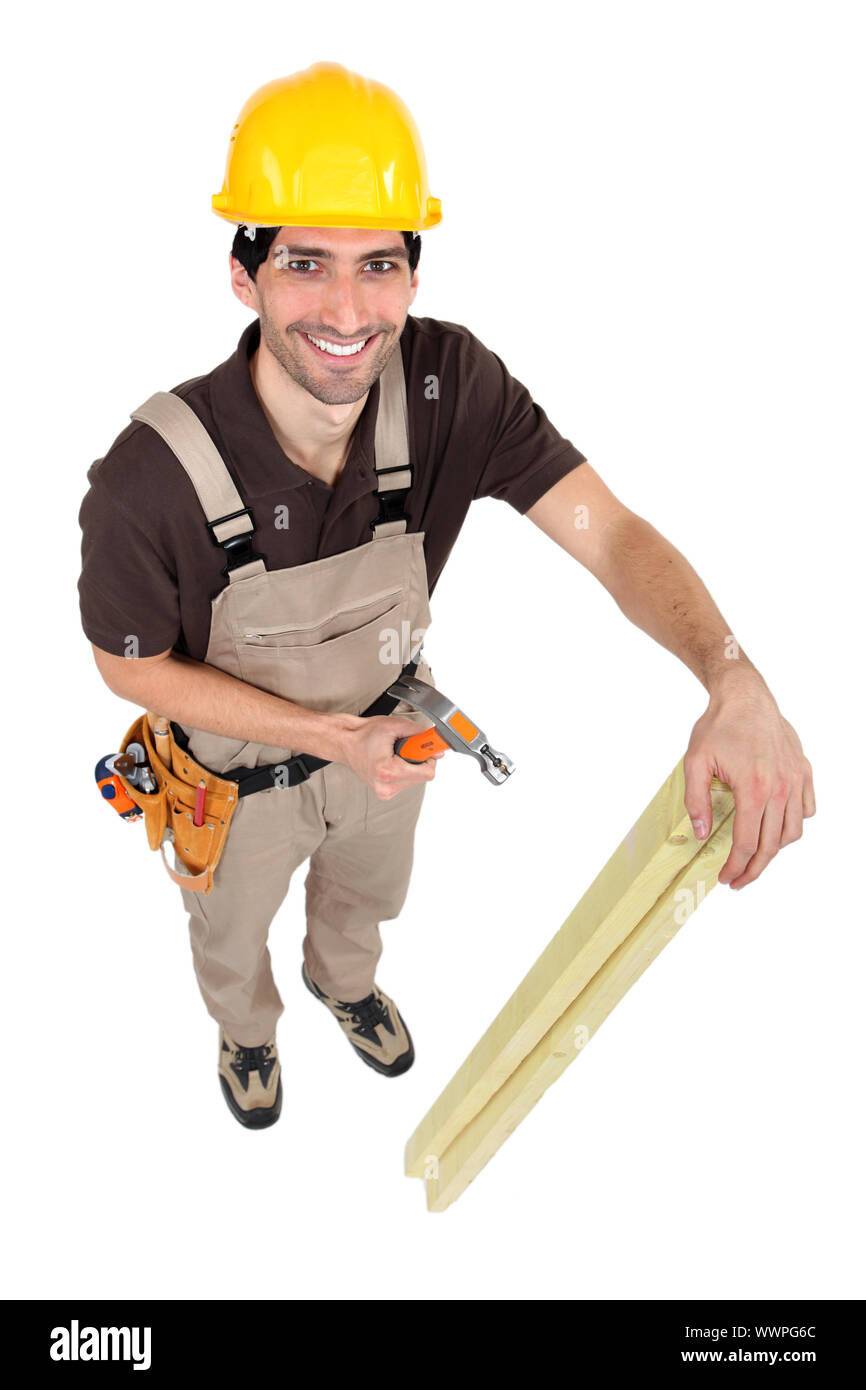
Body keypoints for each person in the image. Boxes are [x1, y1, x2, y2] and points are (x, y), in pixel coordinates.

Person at [78, 62, 815, 1129]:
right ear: (243, 275)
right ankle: (247, 1035)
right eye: (304, 264)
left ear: (413, 272)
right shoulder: (151, 475)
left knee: (366, 900)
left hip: (388, 747)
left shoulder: (448, 388)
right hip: (233, 786)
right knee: (229, 929)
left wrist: (731, 675)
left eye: (378, 263)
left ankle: (343, 985)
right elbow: (128, 665)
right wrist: (320, 736)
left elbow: (605, 532)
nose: (345, 309)